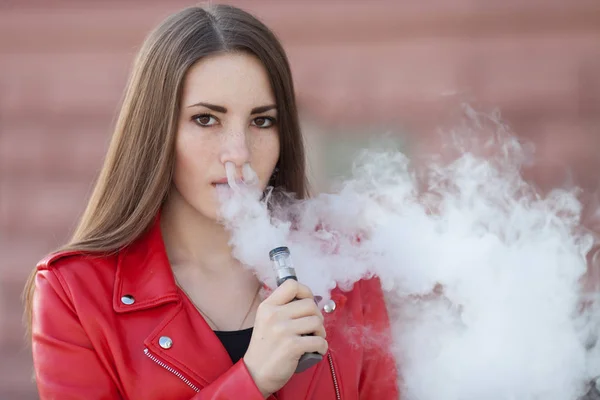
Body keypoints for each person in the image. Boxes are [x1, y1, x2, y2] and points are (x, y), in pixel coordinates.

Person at [23, 4, 399, 399]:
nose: (238, 153)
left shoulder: (345, 271)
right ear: (156, 131)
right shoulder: (75, 294)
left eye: (262, 121)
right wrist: (251, 380)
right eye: (206, 119)